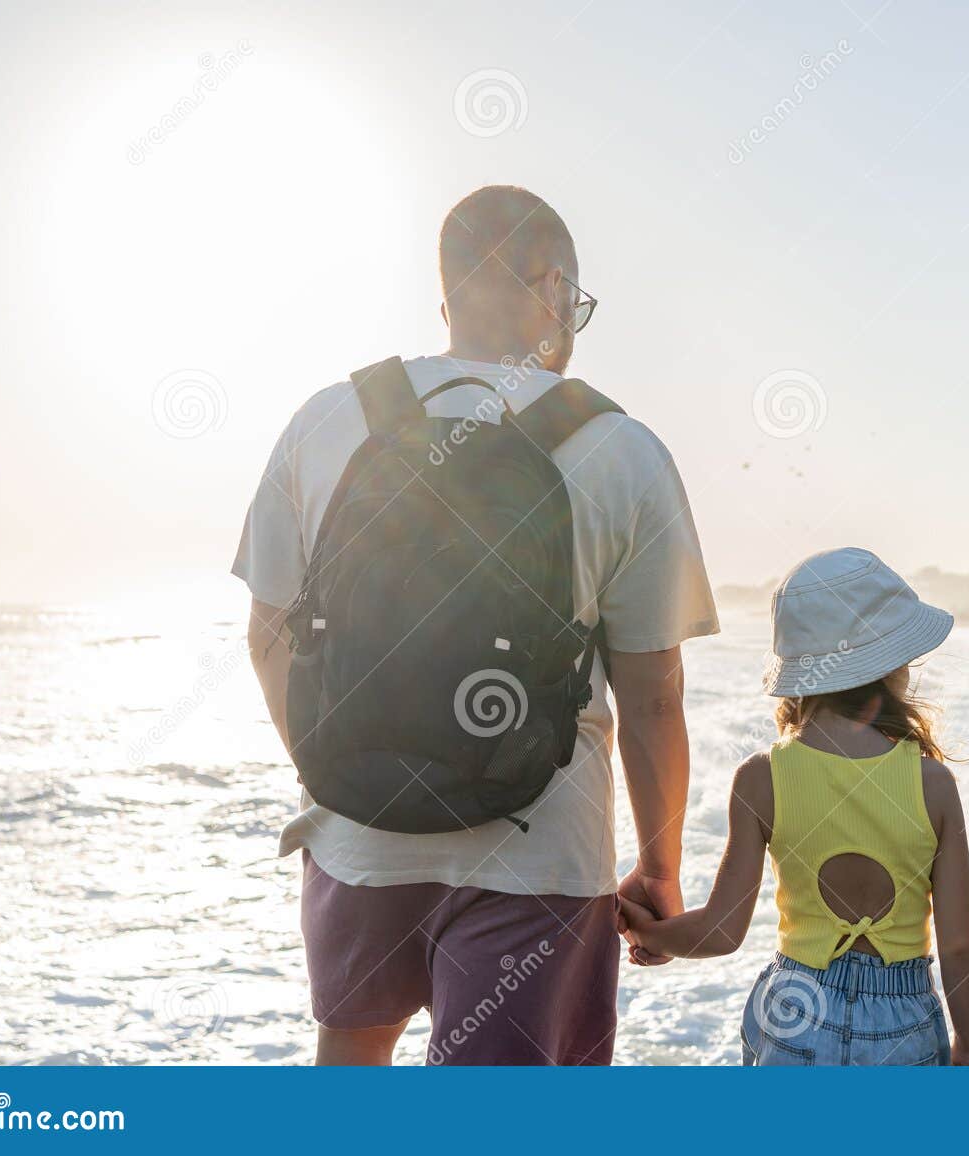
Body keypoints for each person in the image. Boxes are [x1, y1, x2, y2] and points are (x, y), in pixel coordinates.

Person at [233, 185, 718, 1064]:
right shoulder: (621, 449)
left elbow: (268, 632)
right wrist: (659, 870)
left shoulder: (326, 420)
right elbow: (654, 699)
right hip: (541, 855)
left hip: (357, 835)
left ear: (446, 294)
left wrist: (341, 764)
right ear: (557, 289)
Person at [619, 547, 969, 1065]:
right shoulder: (933, 784)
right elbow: (960, 945)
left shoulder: (762, 778)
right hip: (903, 1024)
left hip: (793, 1011)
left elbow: (722, 932)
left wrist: (650, 932)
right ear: (893, 665)